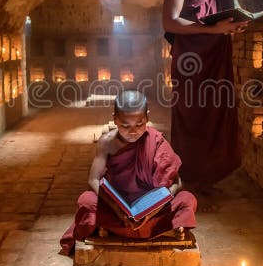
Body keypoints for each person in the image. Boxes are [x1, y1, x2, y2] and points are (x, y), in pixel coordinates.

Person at [162, 0, 246, 190]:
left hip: (215, 55)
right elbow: (170, 22)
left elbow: (219, 17)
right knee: (193, 115)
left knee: (217, 113)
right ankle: (190, 178)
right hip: (192, 59)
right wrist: (214, 30)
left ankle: (211, 177)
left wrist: (230, 26)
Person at [59, 90, 197, 256]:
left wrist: (150, 211)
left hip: (152, 211)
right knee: (87, 201)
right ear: (115, 119)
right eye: (125, 126)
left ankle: (110, 229)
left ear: (147, 117)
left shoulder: (157, 141)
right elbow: (93, 180)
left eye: (139, 125)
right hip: (118, 210)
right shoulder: (107, 143)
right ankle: (159, 230)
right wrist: (117, 209)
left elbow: (177, 182)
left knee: (187, 199)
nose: (133, 131)